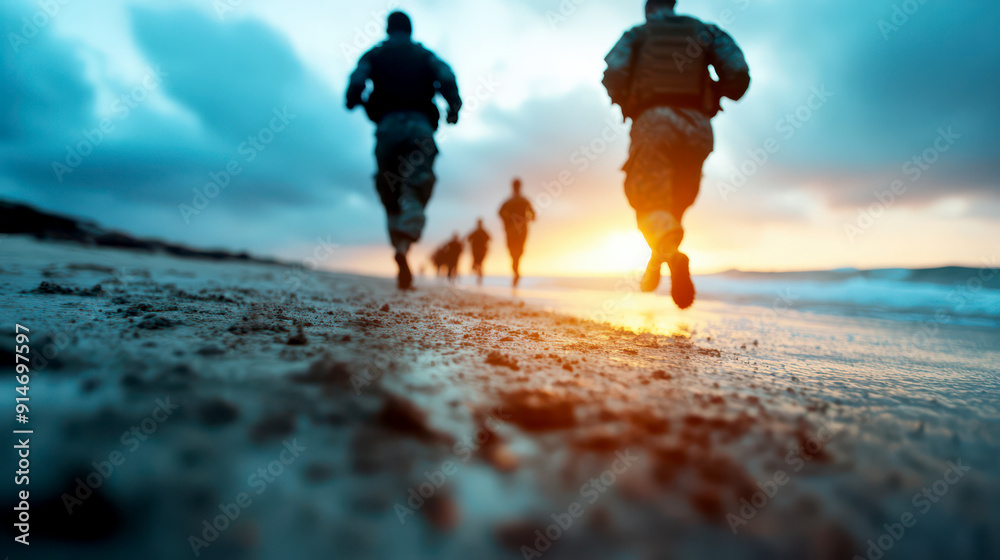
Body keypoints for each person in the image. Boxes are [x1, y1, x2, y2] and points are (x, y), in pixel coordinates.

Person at [602, 0, 750, 309]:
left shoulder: (637, 34)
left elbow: (613, 70)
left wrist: (625, 101)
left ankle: (671, 256)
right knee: (675, 206)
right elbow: (738, 72)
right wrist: (716, 92)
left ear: (649, 9)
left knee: (647, 202)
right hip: (697, 127)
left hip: (654, 124)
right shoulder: (704, 30)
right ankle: (659, 258)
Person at [346, 11, 462, 291]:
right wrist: (453, 108)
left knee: (390, 192)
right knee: (416, 184)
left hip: (387, 129)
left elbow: (357, 79)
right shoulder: (423, 55)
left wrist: (353, 98)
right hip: (420, 129)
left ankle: (399, 243)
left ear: (388, 30)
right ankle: (406, 237)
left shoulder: (375, 54)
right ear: (410, 30)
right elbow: (445, 76)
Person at [498, 178, 535, 287]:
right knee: (516, 252)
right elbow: (533, 216)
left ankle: (515, 269)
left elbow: (533, 215)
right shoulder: (513, 201)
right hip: (516, 230)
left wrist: (508, 220)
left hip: (517, 230)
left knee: (516, 252)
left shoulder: (520, 201)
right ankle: (515, 269)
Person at [466, 219, 491, 285]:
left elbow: (489, 238)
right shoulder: (476, 232)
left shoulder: (483, 232)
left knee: (479, 263)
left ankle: (479, 276)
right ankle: (478, 275)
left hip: (481, 251)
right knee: (477, 263)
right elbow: (468, 238)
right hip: (476, 251)